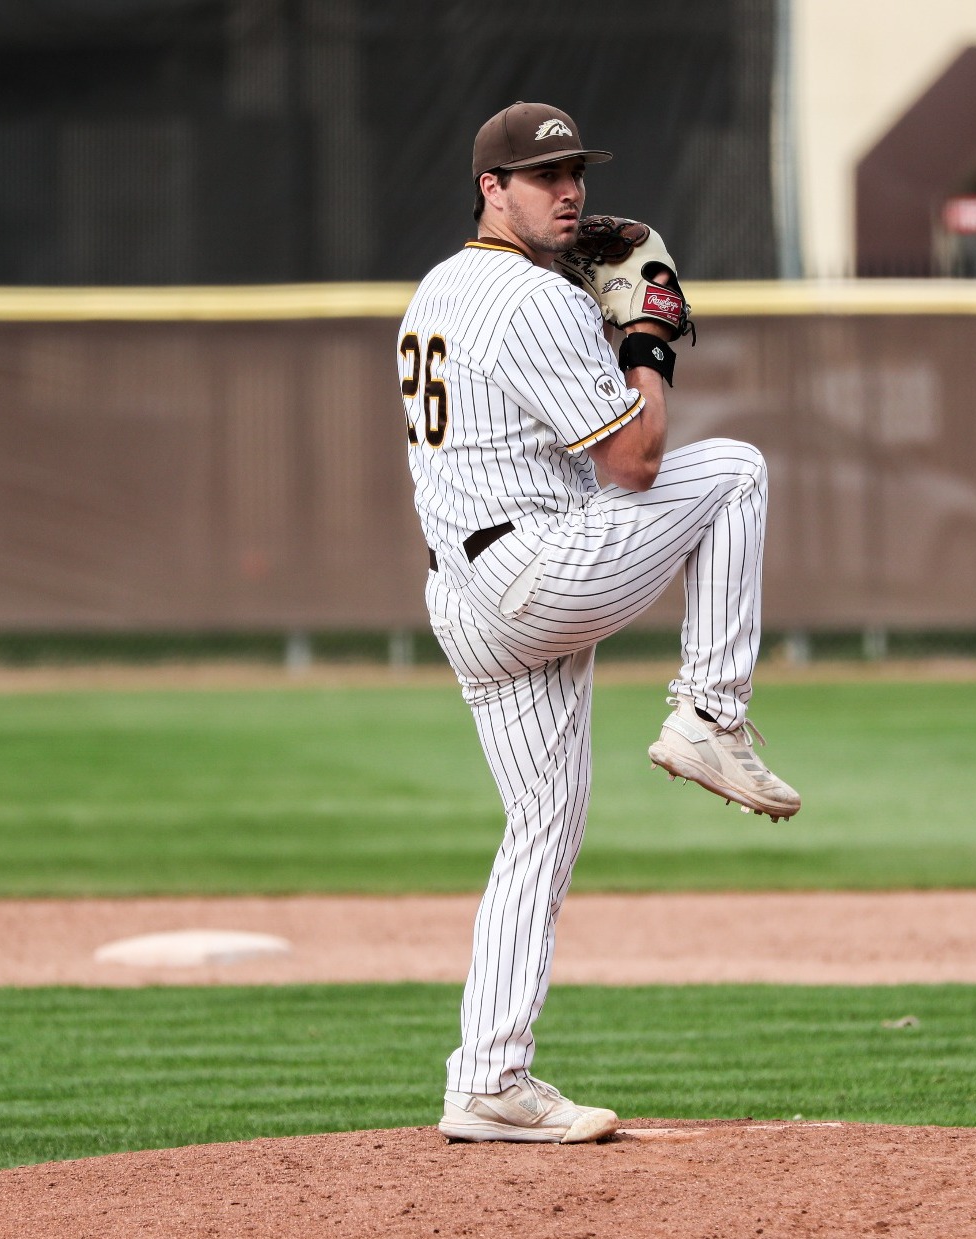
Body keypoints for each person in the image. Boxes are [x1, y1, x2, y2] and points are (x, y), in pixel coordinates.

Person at [403, 102, 800, 1145]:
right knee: (735, 471)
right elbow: (633, 462)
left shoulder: (436, 290)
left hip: (466, 593)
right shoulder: (527, 300)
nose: (567, 191)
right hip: (535, 570)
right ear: (490, 189)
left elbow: (572, 454)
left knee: (539, 830)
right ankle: (709, 715)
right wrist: (644, 342)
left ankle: (486, 1077)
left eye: (574, 172)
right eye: (542, 178)